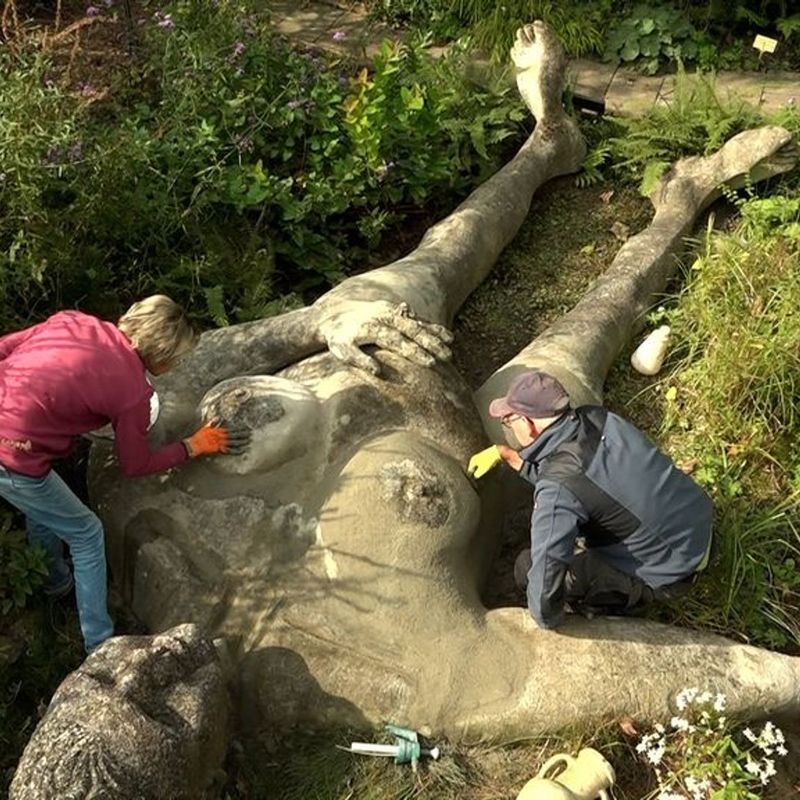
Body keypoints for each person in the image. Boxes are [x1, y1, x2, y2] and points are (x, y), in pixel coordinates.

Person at [0, 296, 250, 652]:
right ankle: (99, 646)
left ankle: (54, 583)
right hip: (12, 457)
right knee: (86, 533)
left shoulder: (71, 322)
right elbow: (135, 465)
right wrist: (195, 445)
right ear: (163, 359)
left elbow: (4, 348)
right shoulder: (133, 393)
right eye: (178, 360)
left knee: (44, 501)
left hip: (16, 444)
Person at [487, 370, 713, 629]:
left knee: (525, 567)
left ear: (527, 424)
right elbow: (583, 479)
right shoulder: (598, 417)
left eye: (508, 420)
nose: (508, 425)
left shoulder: (558, 487)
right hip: (697, 522)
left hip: (675, 570)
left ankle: (617, 598)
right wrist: (510, 457)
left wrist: (545, 619)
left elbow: (545, 585)